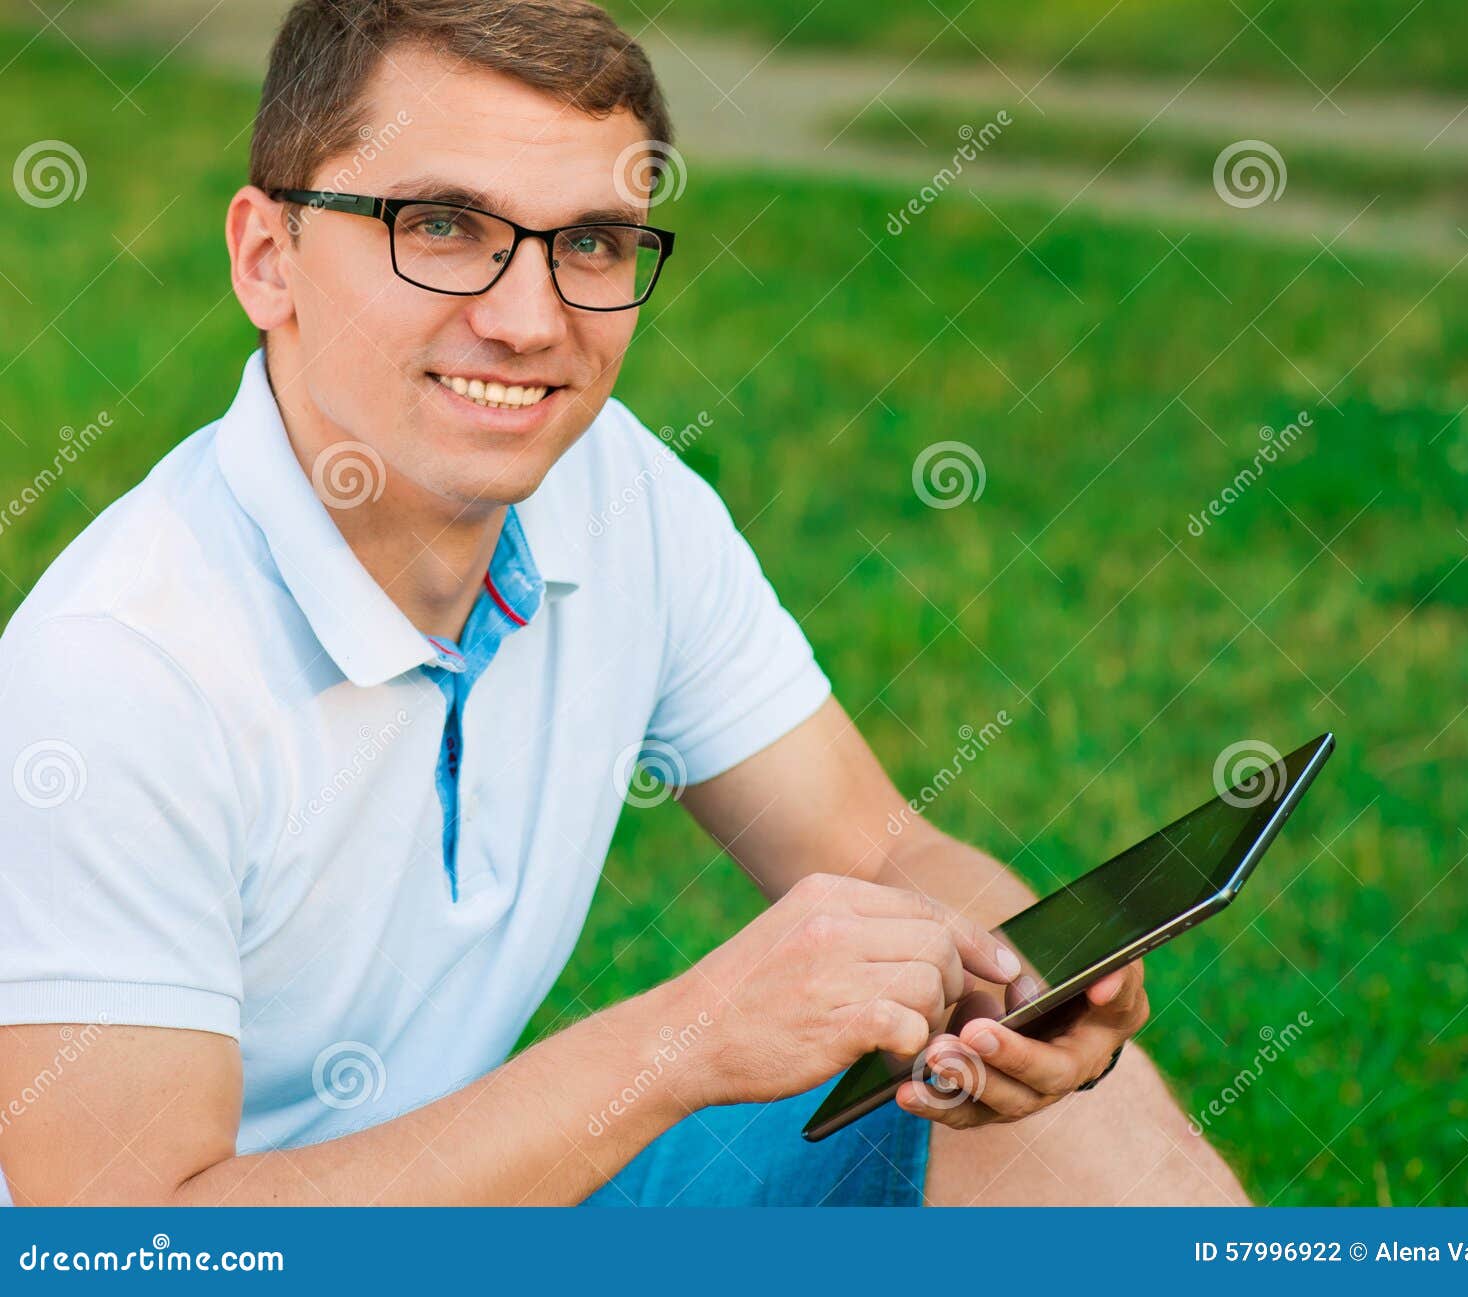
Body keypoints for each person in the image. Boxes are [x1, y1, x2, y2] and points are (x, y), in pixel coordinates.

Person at [0, 0, 1246, 1207]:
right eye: (441, 226)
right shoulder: (119, 671)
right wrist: (678, 1042)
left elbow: (880, 852)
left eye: (589, 242)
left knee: (1062, 1116)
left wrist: (1016, 989)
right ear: (267, 258)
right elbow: (133, 1247)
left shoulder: (613, 491)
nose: (530, 320)